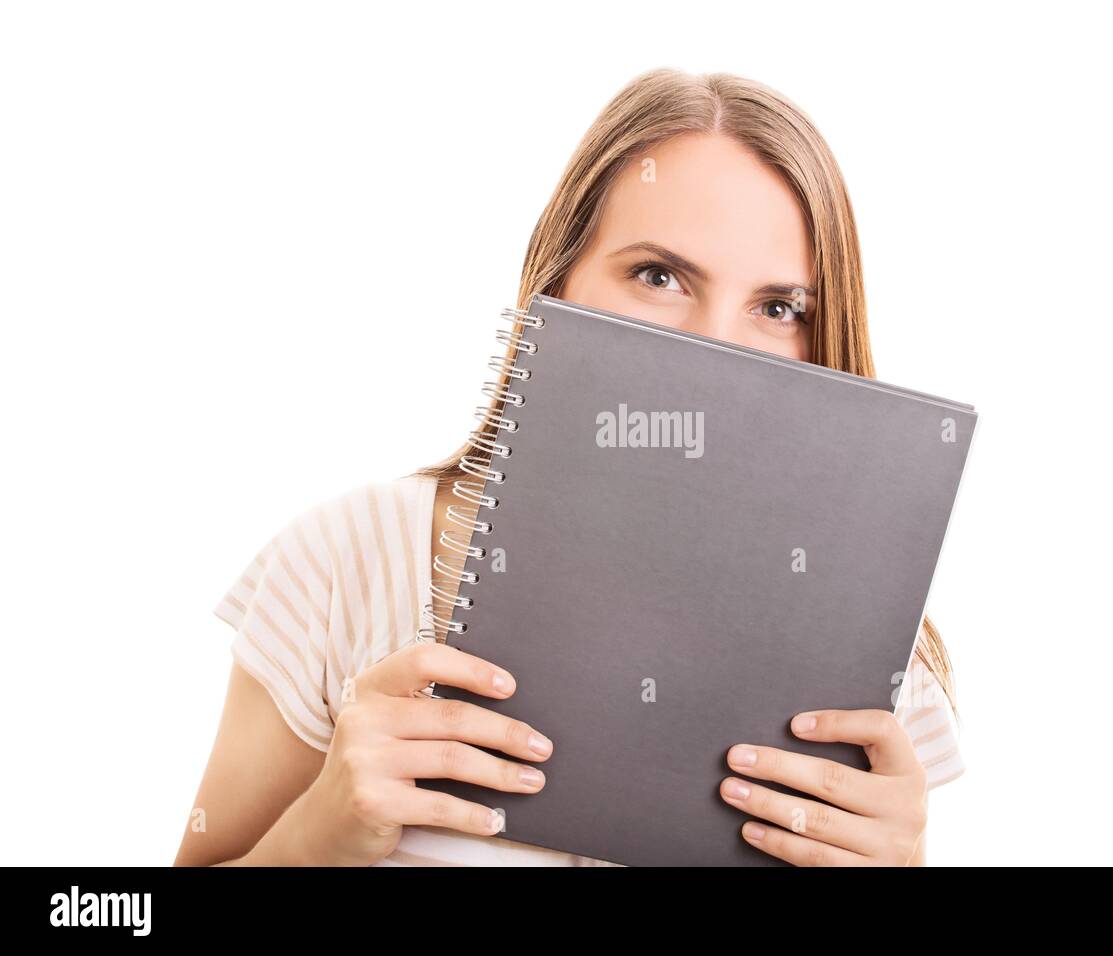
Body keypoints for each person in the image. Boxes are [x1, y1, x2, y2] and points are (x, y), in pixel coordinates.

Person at [175, 68, 965, 868]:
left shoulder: (879, 668)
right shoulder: (345, 559)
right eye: (659, 276)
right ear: (558, 283)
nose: (713, 346)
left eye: (778, 307)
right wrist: (320, 834)